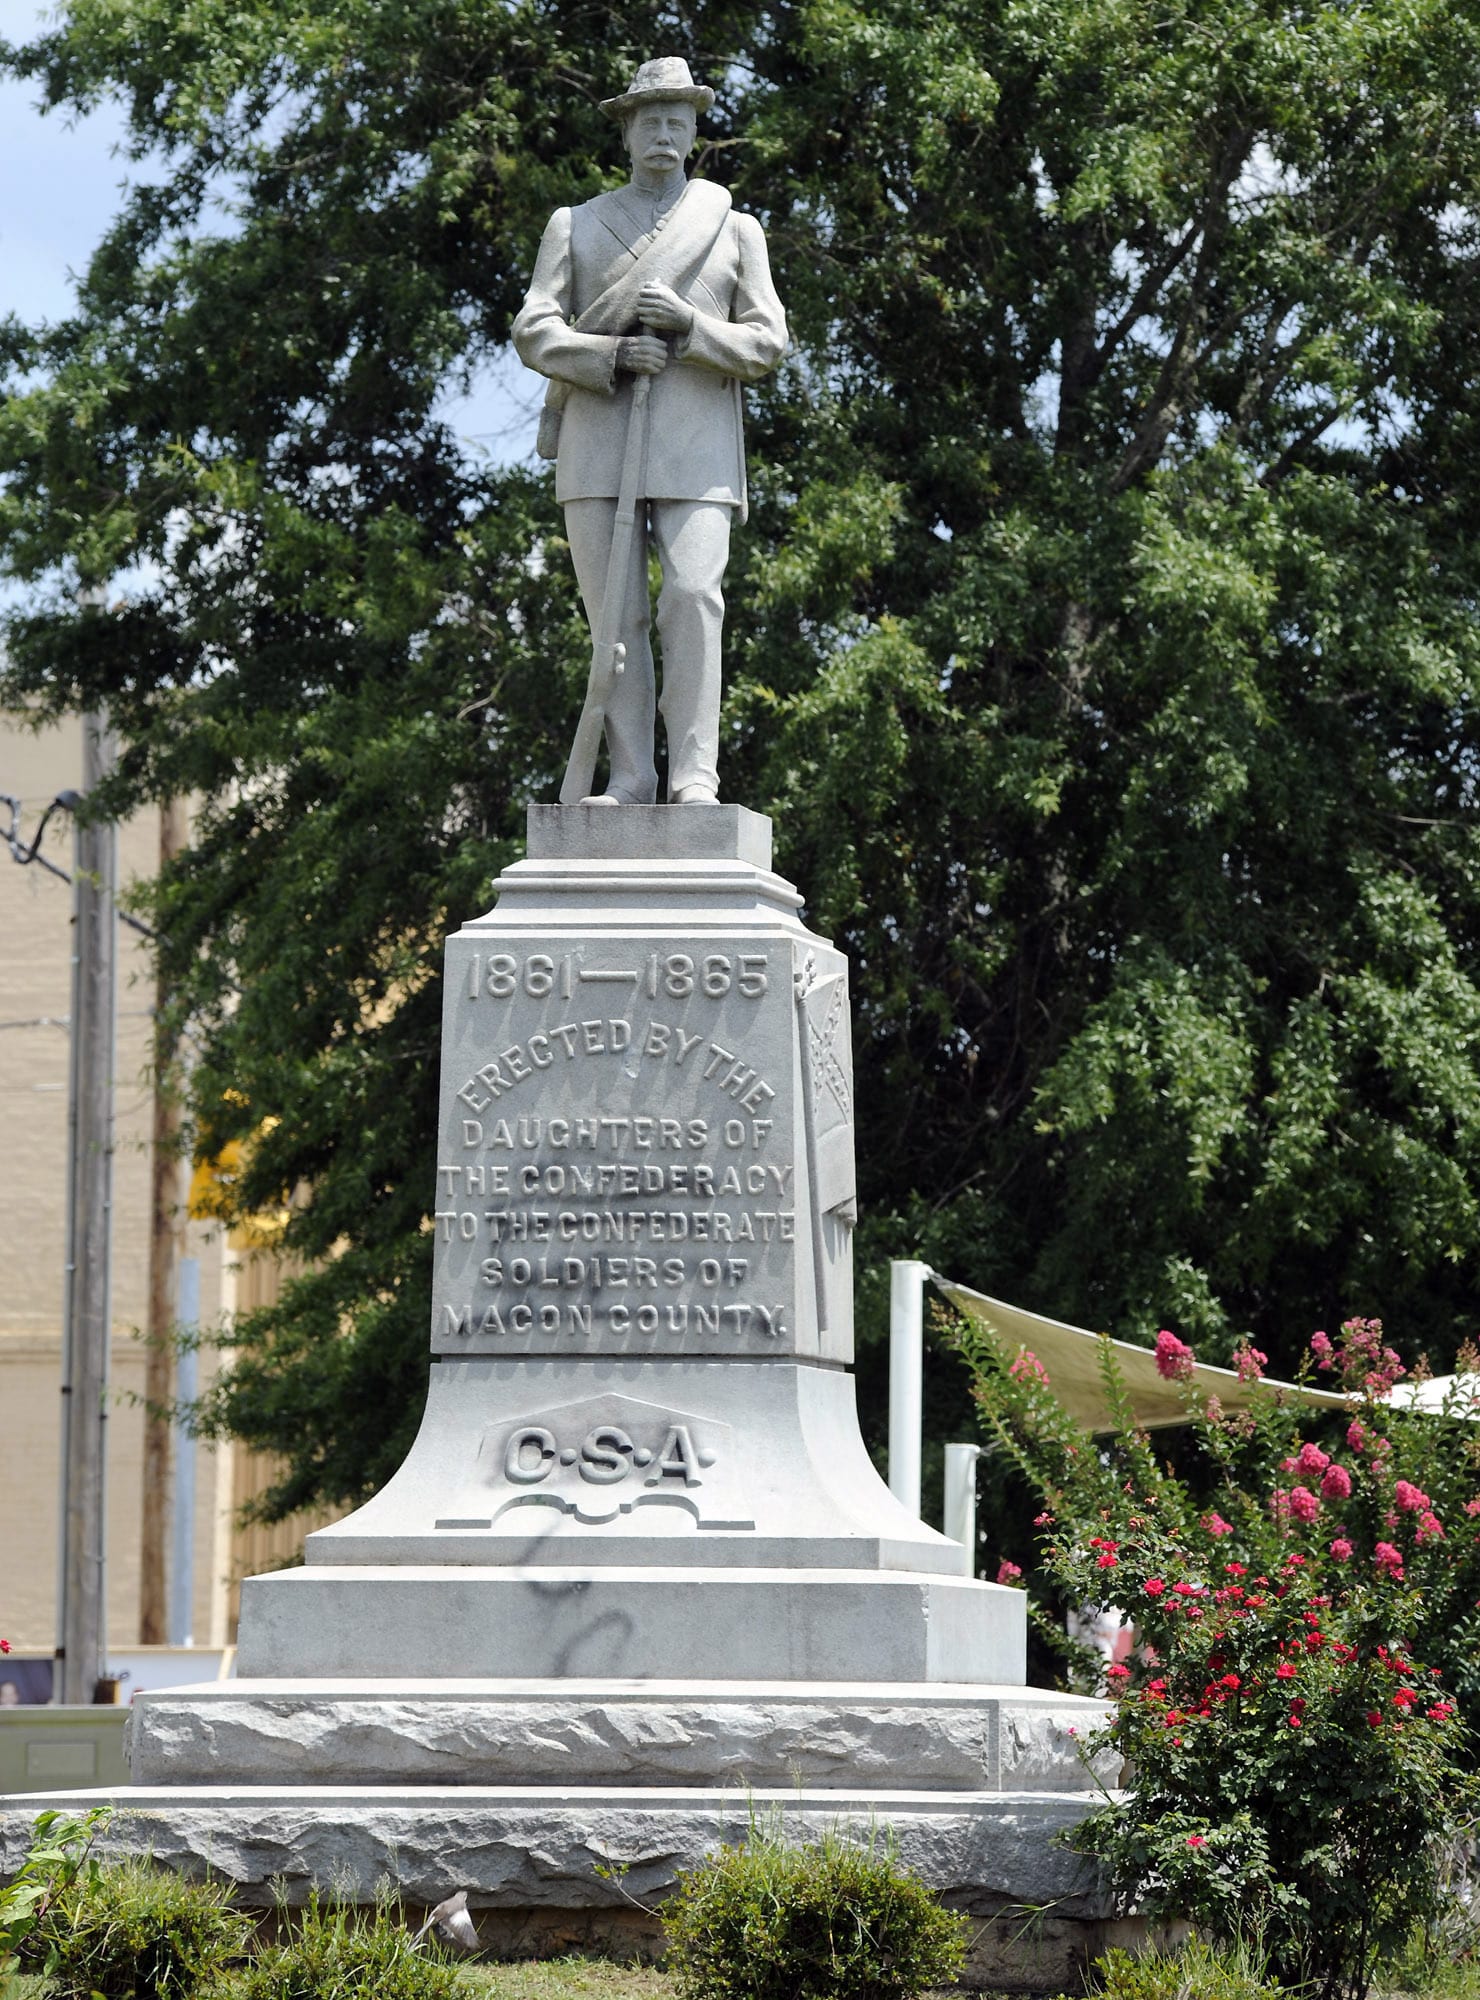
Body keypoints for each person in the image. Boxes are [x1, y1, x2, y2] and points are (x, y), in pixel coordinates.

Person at [513, 57, 787, 804]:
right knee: (616, 616)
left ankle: (695, 776)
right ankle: (632, 776)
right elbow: (534, 328)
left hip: (698, 446)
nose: (664, 134)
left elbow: (767, 342)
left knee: (694, 599)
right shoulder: (576, 224)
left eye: (678, 122)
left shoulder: (735, 230)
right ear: (627, 134)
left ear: (695, 134)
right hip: (596, 437)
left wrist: (692, 326)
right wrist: (607, 355)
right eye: (651, 122)